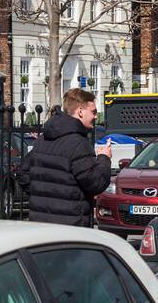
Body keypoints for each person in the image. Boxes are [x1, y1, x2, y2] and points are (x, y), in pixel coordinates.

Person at [17, 88, 112, 226]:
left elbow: (22, 173)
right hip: (71, 226)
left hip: (41, 225)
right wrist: (104, 158)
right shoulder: (79, 144)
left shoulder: (43, 140)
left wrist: (45, 196)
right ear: (80, 111)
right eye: (93, 112)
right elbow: (95, 183)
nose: (96, 116)